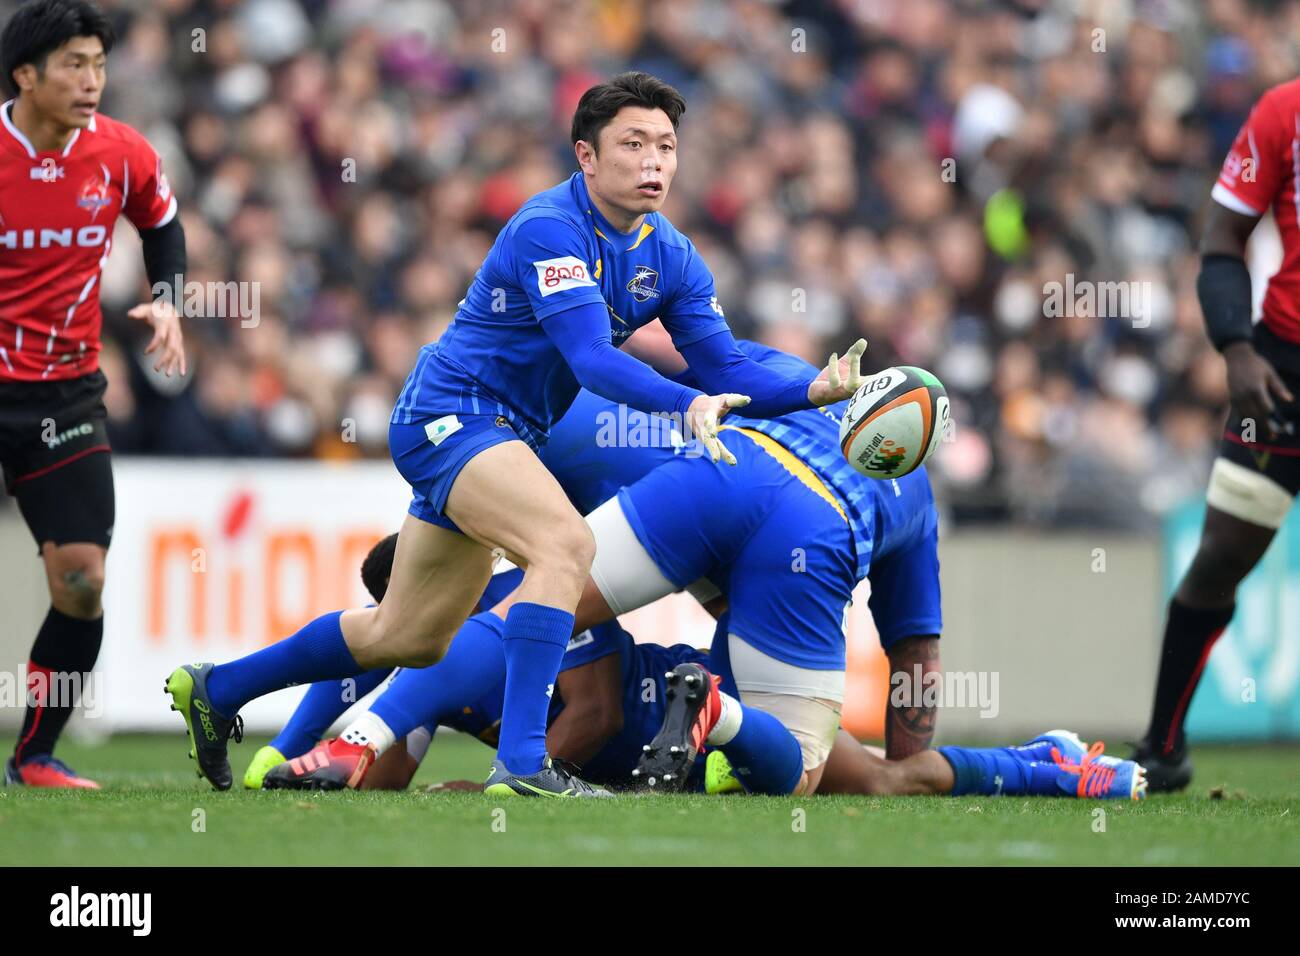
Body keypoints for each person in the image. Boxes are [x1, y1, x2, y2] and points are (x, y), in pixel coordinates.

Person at [165, 72, 866, 796]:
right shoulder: (549, 226)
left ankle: (218, 690)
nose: (654, 160)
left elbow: (724, 363)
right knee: (565, 545)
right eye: (633, 143)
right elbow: (591, 360)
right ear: (586, 157)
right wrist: (684, 406)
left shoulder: (673, 255)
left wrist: (810, 389)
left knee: (404, 637)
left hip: (506, 435)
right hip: (452, 415)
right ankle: (526, 766)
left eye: (666, 145)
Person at [0, 0, 186, 789]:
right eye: (74, 65)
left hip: (64, 394)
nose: (91, 81)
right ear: (26, 76)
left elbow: (163, 223)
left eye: (99, 65)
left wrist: (168, 298)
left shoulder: (121, 152)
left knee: (82, 578)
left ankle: (35, 755)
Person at [1134, 77, 1300, 791]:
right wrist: (1236, 348)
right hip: (1284, 367)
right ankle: (1162, 745)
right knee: (1222, 553)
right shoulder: (1283, 112)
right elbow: (1223, 236)